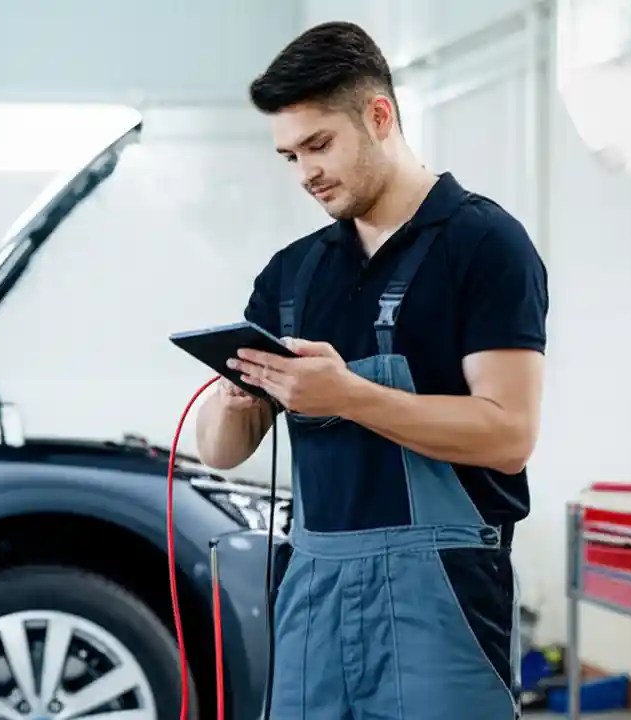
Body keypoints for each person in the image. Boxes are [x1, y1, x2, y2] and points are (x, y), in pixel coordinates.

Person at [194, 21, 548, 720]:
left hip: (441, 591)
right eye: (289, 156)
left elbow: (508, 434)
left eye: (319, 145)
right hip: (312, 586)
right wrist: (233, 404)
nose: (306, 173)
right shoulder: (292, 276)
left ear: (379, 116)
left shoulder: (484, 243)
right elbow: (218, 449)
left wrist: (349, 395)